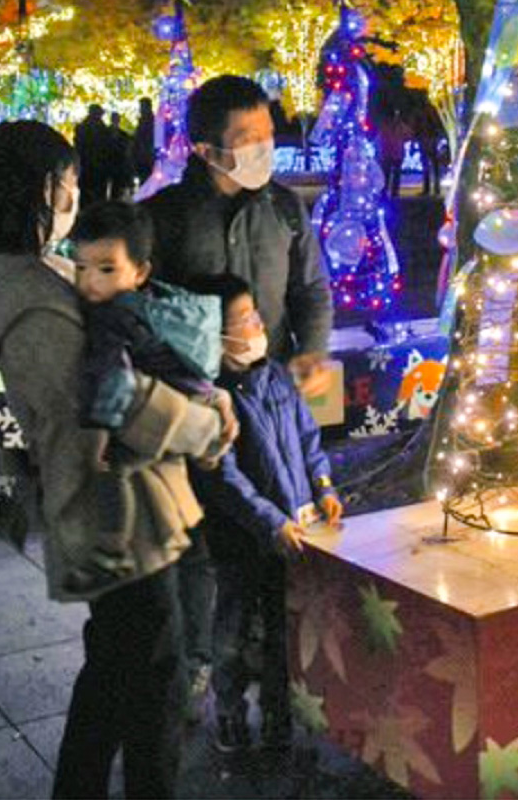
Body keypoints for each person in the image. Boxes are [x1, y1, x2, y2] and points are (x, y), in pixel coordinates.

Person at [0, 120, 237, 798]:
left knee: (114, 676)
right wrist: (202, 425)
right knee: (156, 690)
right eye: (70, 185)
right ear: (41, 189)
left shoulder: (30, 277)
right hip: (114, 520)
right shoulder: (26, 297)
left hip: (121, 511)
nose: (76, 198)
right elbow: (102, 404)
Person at [144, 74, 334, 720]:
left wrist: (309, 349)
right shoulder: (165, 218)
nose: (263, 150)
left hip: (272, 405)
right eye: (246, 140)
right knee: (210, 550)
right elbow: (142, 313)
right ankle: (206, 667)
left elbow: (312, 289)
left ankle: (276, 671)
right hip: (197, 418)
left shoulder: (284, 208)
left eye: (268, 137)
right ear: (205, 150)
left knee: (275, 536)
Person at [188, 274, 342, 754]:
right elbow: (224, 478)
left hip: (293, 533)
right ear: (217, 332)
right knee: (232, 629)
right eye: (243, 320)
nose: (256, 325)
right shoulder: (211, 394)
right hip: (241, 540)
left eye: (256, 315)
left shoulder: (276, 374)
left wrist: (323, 488)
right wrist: (268, 522)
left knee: (282, 630)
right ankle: (229, 712)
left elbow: (308, 438)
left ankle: (278, 711)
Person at [71, 201, 231, 590]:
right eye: (80, 267)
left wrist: (98, 432)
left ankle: (110, 552)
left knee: (118, 472)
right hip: (200, 392)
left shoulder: (111, 316)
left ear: (140, 271)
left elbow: (116, 380)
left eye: (106, 269)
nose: (91, 281)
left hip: (176, 399)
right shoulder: (158, 303)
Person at [133, 97, 157, 184]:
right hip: (143, 158)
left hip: (148, 158)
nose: (140, 110)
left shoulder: (152, 122)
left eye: (142, 107)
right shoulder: (143, 121)